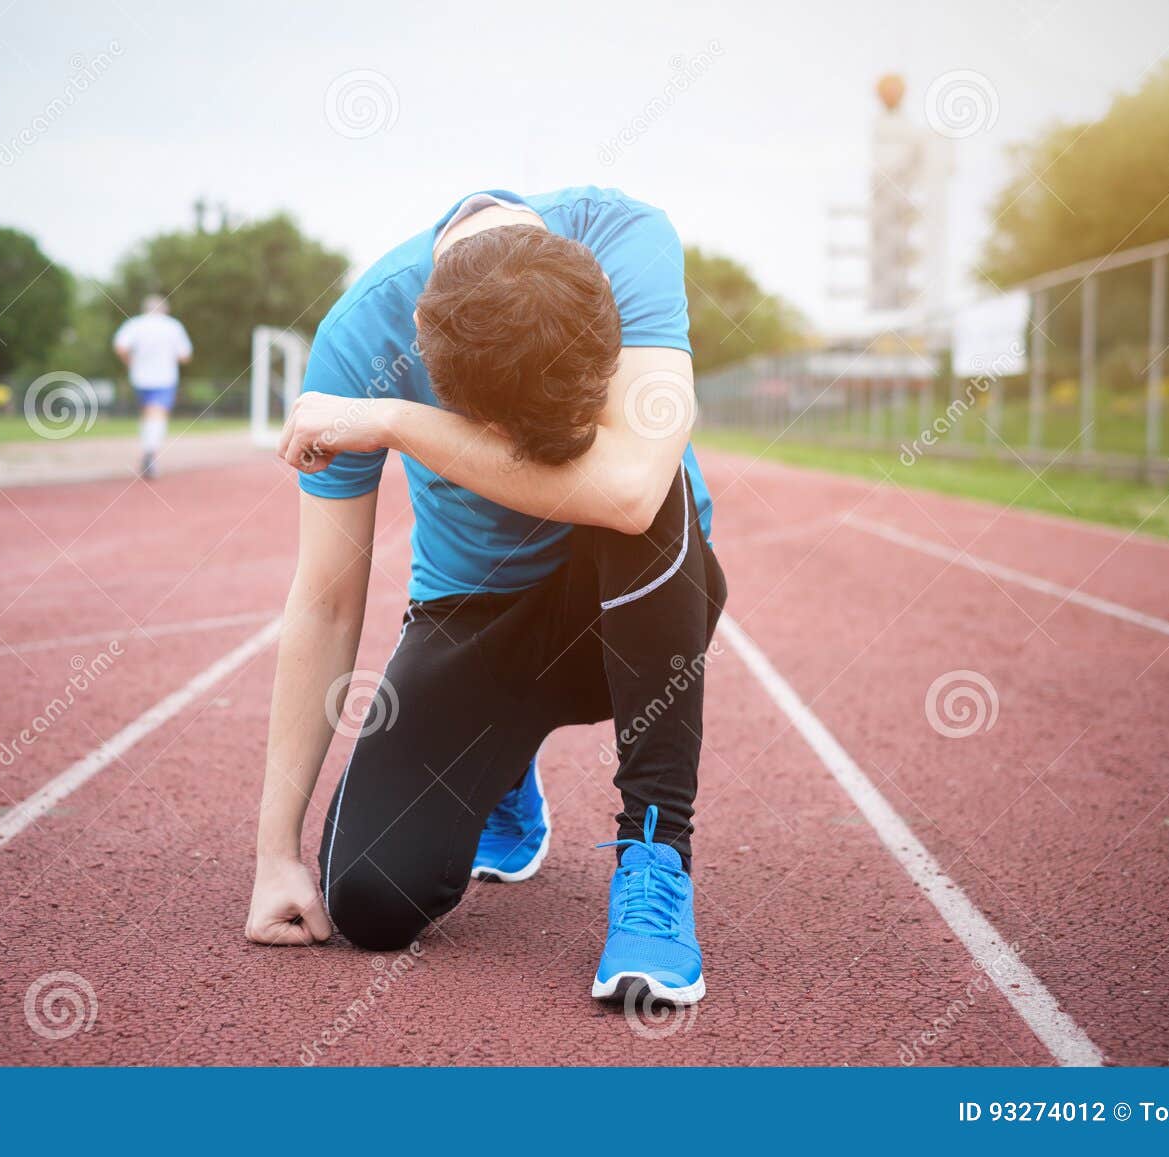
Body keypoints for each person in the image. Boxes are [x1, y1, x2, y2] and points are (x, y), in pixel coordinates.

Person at [246, 187, 726, 1006]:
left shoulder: (630, 242)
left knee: (645, 491)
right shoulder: (362, 336)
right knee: (369, 900)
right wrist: (274, 853)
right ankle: (503, 769)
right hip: (473, 612)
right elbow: (325, 602)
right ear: (433, 360)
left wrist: (396, 421)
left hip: (628, 608)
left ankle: (655, 857)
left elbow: (628, 493)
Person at [112, 294, 192, 478]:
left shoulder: (134, 324)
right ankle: (150, 453)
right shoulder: (173, 326)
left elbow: (120, 347)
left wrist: (131, 362)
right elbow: (185, 355)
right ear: (165, 309)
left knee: (147, 414)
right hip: (164, 378)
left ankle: (148, 451)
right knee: (157, 414)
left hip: (139, 377)